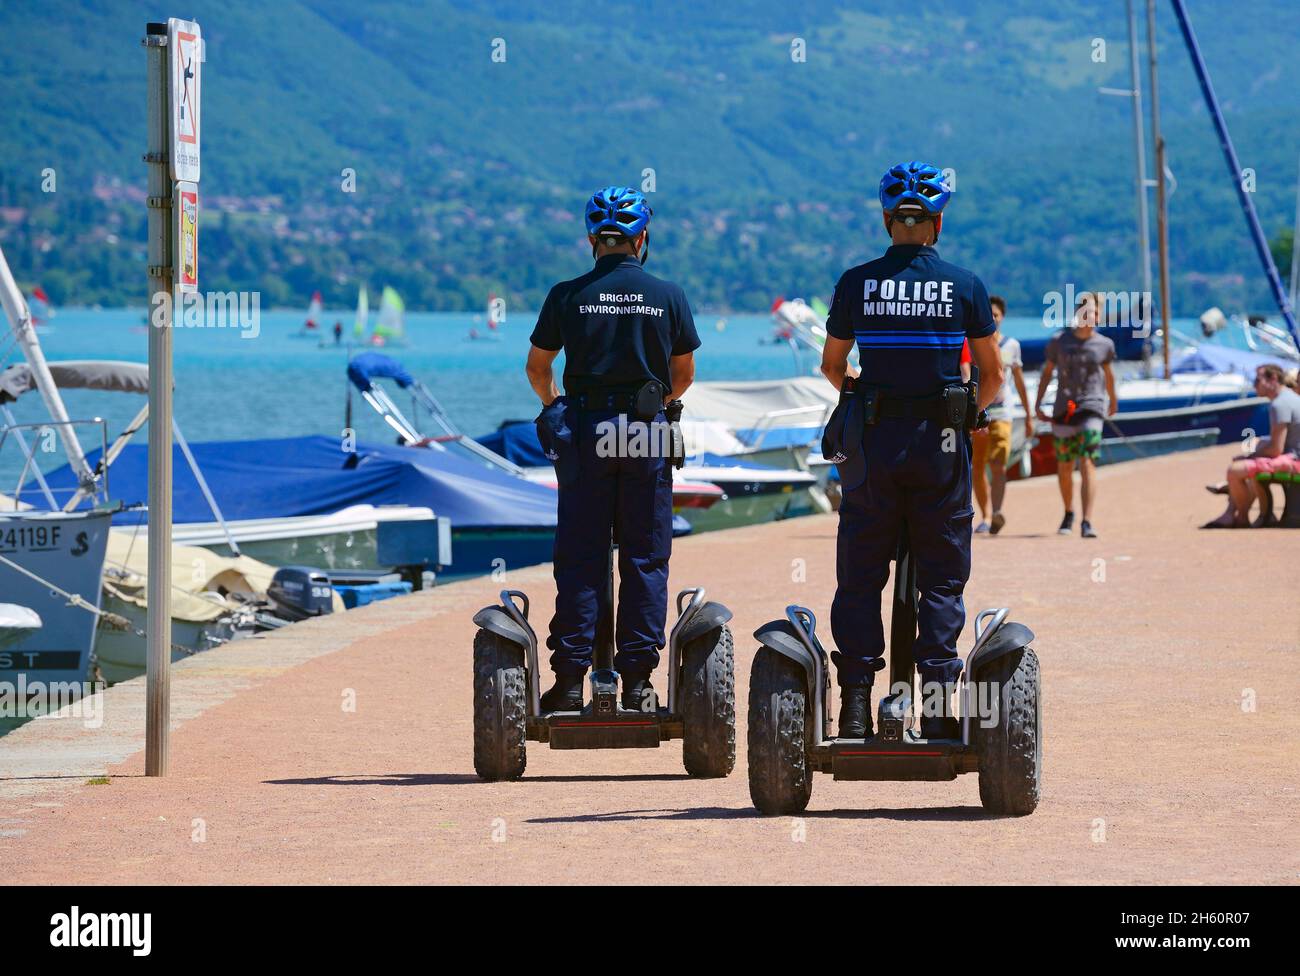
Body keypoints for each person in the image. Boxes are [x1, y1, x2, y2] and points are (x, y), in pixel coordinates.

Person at [819, 160, 1003, 739]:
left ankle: (854, 707)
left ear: (885, 220)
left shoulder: (856, 282)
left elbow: (832, 365)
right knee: (942, 579)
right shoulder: (966, 285)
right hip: (940, 448)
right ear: (937, 223)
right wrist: (968, 410)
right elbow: (992, 374)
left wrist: (864, 395)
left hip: (872, 446)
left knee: (860, 575)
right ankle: (940, 707)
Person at [525, 186, 700, 712]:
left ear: (591, 240)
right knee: (645, 558)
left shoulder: (566, 294)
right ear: (641, 238)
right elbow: (684, 373)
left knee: (580, 557)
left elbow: (538, 368)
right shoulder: (667, 294)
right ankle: (640, 683)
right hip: (645, 431)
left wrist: (558, 403)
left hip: (585, 430)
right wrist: (653, 401)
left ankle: (571, 682)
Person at [1034, 291, 1117, 538]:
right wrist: (1038, 404)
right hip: (1063, 410)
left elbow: (1109, 374)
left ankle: (1087, 520)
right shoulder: (1059, 342)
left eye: (1096, 313)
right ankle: (1069, 512)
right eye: (1089, 312)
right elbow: (1047, 373)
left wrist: (1113, 400)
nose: (1093, 317)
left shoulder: (1105, 345)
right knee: (1065, 466)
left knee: (1088, 461)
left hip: (1092, 407)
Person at [1202, 363, 1300, 528]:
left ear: (1273, 379)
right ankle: (1240, 514)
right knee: (1250, 462)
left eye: (1257, 379)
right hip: (1293, 457)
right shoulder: (1291, 398)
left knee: (1234, 470)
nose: (1254, 384)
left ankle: (1241, 518)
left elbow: (1276, 449)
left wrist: (1248, 457)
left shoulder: (1280, 403)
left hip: (1294, 461)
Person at [971, 295, 1033, 534]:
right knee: (978, 466)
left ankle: (996, 512)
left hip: (1003, 411)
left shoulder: (1011, 345)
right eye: (990, 314)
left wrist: (1028, 415)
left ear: (1003, 317)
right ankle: (985, 515)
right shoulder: (974, 344)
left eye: (996, 315)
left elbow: (1018, 380)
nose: (993, 319)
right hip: (979, 411)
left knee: (999, 463)